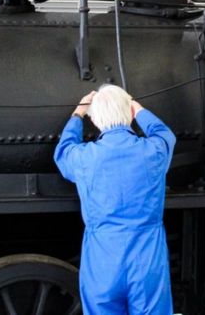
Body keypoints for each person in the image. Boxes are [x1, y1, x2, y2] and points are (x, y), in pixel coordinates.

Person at [54, 85, 176, 314]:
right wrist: (136, 107)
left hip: (102, 261)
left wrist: (78, 113)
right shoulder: (153, 151)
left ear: (96, 120)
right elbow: (164, 134)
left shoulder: (84, 157)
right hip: (147, 258)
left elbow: (63, 152)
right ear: (129, 114)